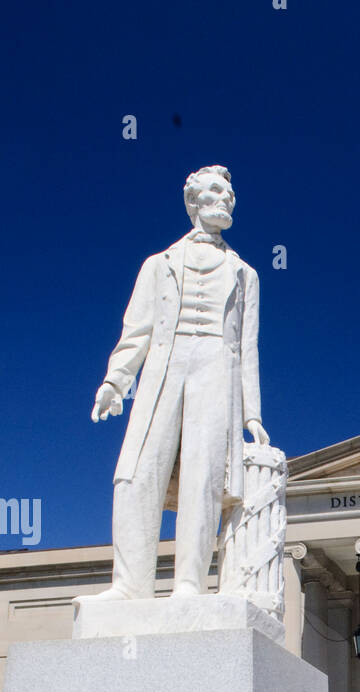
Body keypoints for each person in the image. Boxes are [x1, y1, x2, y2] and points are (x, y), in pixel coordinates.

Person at [90, 165, 269, 599]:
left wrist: (252, 415)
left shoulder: (245, 274)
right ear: (193, 202)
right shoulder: (159, 264)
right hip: (163, 366)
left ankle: (189, 583)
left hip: (215, 367)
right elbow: (137, 330)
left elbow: (248, 348)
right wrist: (116, 380)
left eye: (230, 193)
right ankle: (129, 586)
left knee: (203, 477)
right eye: (215, 191)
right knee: (137, 471)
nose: (226, 199)